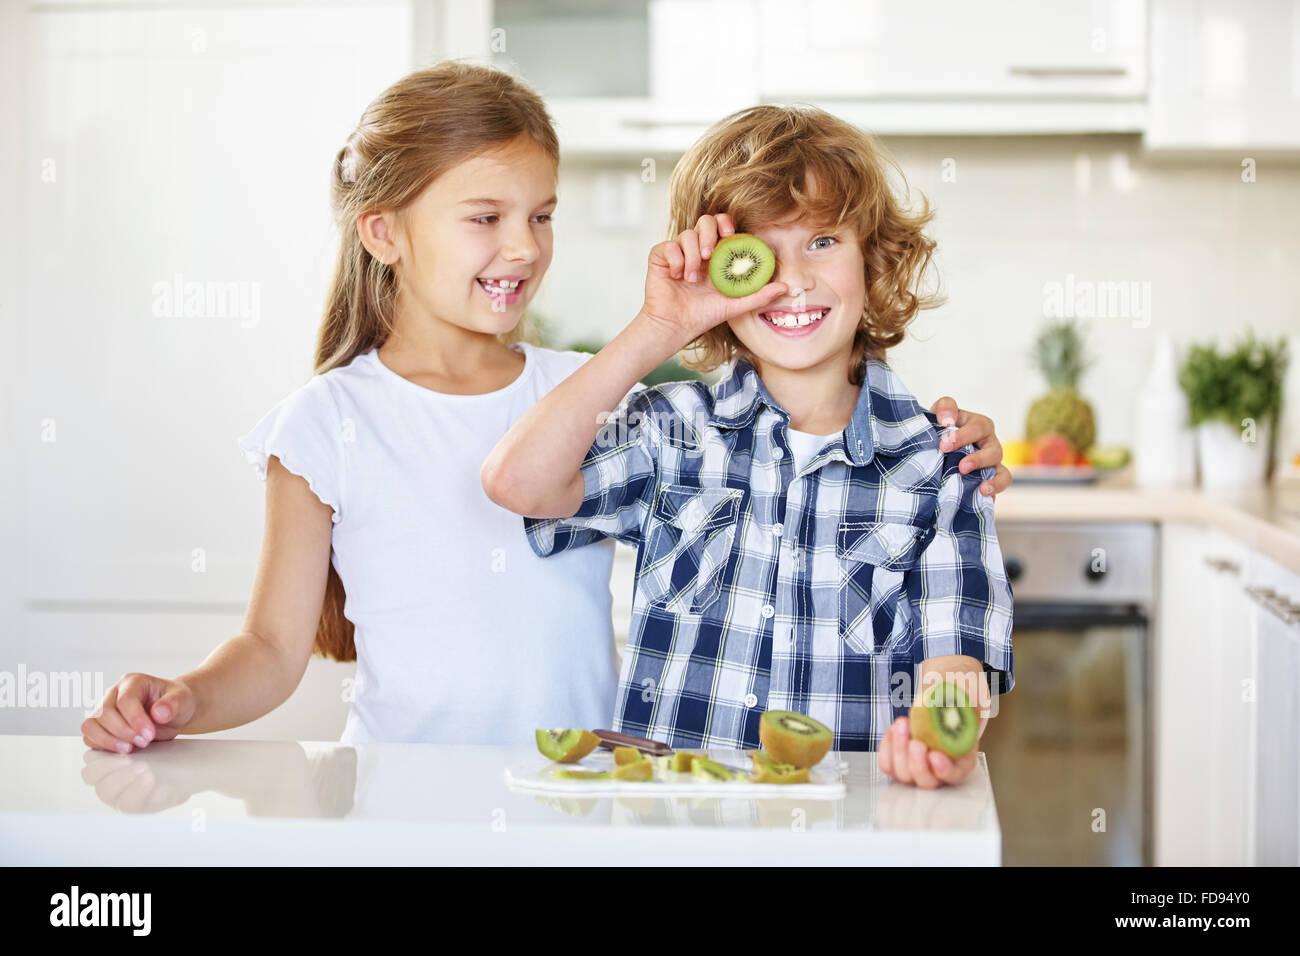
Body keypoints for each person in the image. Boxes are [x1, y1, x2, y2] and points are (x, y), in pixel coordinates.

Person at [81, 64, 1009, 759]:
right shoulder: (335, 421)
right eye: (486, 216)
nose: (522, 246)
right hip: (408, 793)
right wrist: (185, 700)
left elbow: (951, 654)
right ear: (384, 232)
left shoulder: (592, 391)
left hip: (583, 794)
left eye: (542, 215)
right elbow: (276, 645)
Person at [483, 104, 1015, 788]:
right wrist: (658, 326)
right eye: (762, 251)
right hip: (676, 831)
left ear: (874, 259)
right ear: (723, 270)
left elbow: (954, 663)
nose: (793, 280)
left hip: (848, 834)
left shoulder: (942, 464)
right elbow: (515, 481)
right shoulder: (669, 430)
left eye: (823, 241)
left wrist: (941, 736)